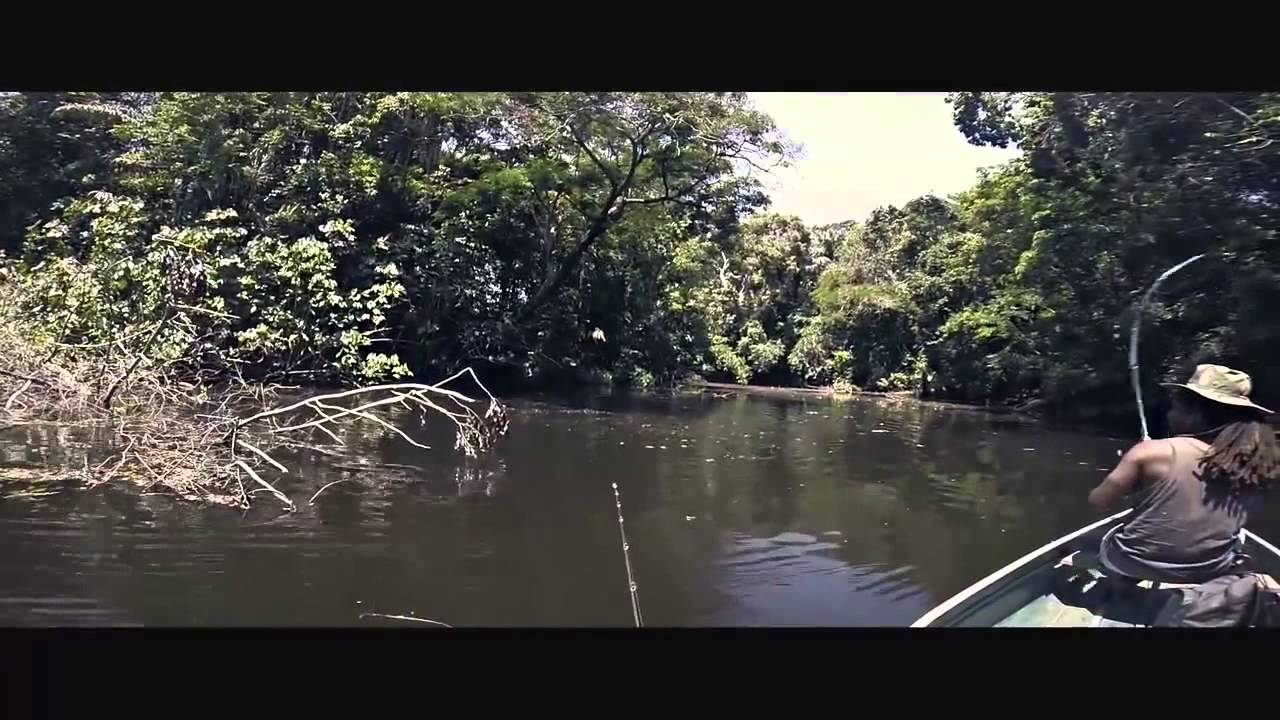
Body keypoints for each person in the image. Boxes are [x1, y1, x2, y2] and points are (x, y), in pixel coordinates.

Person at [1086, 364, 1279, 585]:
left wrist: (1139, 468)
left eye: (1176, 407)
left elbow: (1099, 501)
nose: (1171, 414)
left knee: (1107, 538)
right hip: (1209, 572)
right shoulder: (1258, 465)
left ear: (1195, 412)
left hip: (1129, 563)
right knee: (1239, 540)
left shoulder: (1151, 451)